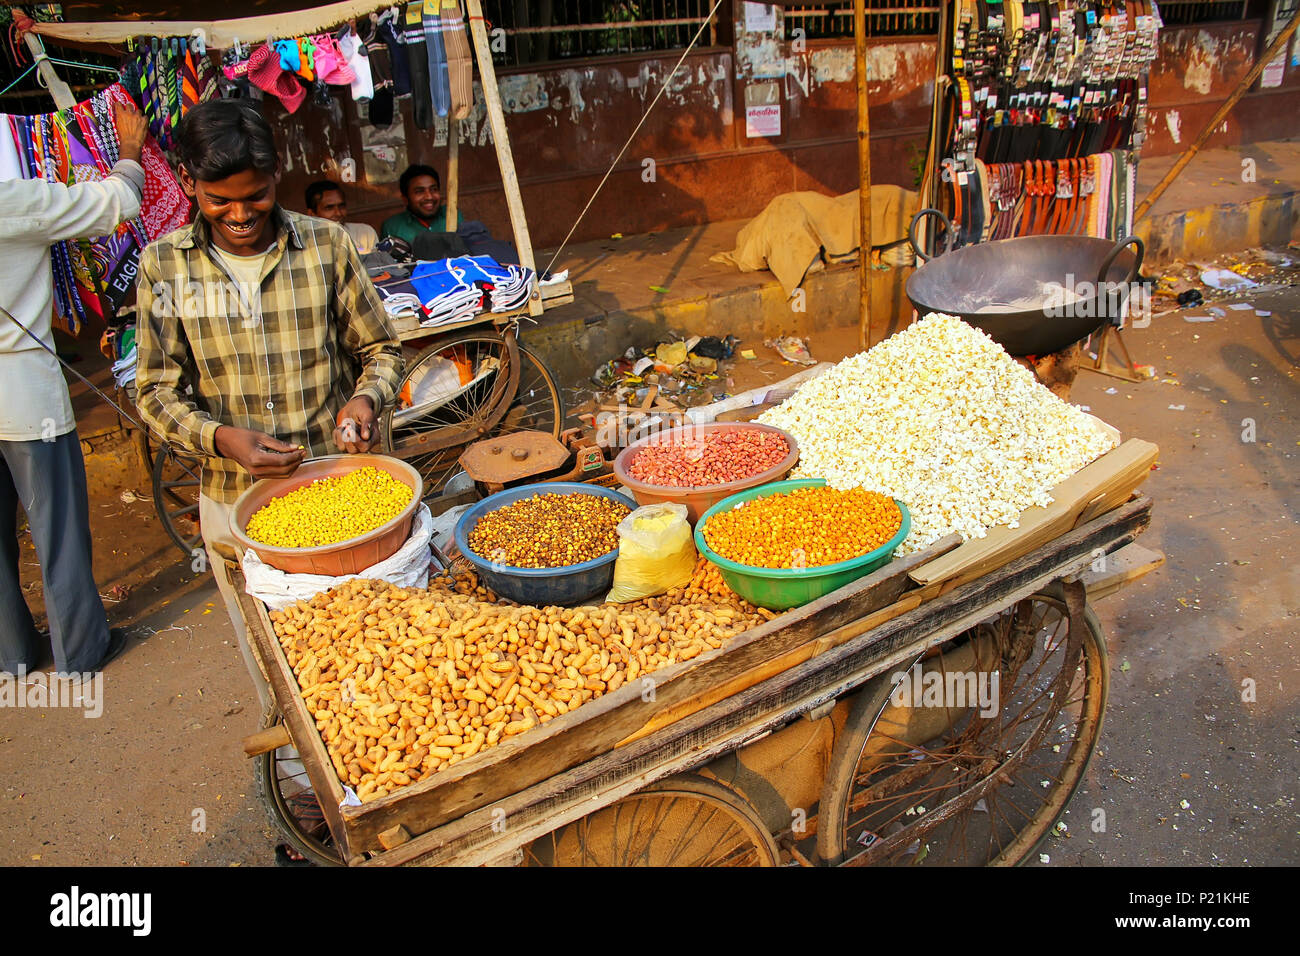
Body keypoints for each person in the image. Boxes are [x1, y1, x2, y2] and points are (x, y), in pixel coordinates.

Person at [134, 100, 404, 710]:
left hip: (347, 490)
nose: (239, 214)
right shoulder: (165, 266)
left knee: (372, 655)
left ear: (276, 173)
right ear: (187, 184)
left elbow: (383, 351)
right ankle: (303, 782)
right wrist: (220, 438)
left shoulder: (325, 245)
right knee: (279, 664)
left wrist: (363, 400)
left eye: (253, 196)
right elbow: (153, 391)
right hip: (236, 505)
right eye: (218, 200)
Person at [0, 100, 148, 676]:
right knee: (56, 534)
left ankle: (12, 657)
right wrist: (130, 151)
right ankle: (81, 652)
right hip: (24, 395)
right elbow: (117, 203)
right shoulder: (16, 200)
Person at [379, 163, 458, 243]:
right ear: (405, 199)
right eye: (419, 192)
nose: (429, 197)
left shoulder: (454, 215)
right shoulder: (392, 227)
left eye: (433, 189)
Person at [304, 179, 378, 254]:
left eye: (341, 206)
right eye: (329, 208)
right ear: (312, 214)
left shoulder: (364, 232)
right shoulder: (304, 243)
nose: (338, 213)